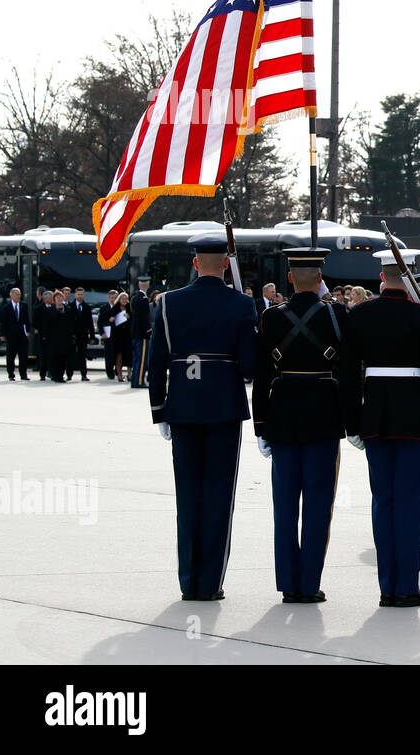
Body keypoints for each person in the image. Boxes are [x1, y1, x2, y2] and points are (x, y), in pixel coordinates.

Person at [339, 248, 420, 607]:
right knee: (411, 503)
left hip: (375, 415)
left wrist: (352, 423)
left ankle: (387, 585)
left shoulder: (359, 315)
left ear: (380, 277)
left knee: (384, 501)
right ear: (410, 277)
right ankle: (405, 586)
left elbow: (346, 374)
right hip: (415, 419)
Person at [149, 234, 257, 602]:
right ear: (225, 265)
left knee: (188, 496)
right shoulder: (242, 304)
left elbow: (156, 363)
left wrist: (158, 410)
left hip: (182, 407)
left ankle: (189, 581)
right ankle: (210, 583)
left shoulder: (169, 303)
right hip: (223, 408)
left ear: (195, 264)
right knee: (218, 496)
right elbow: (249, 367)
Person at [253, 248, 348, 604]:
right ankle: (309, 583)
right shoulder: (337, 315)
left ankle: (288, 583)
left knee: (285, 506)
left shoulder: (272, 317)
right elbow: (349, 372)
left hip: (283, 415)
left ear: (290, 279)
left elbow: (262, 376)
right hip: (324, 415)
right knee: (318, 505)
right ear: (320, 278)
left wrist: (260, 423)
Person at [0, 288, 30, 380]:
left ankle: (23, 375)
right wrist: (2, 334)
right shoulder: (6, 307)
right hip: (11, 336)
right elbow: (3, 322)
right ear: (11, 295)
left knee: (23, 356)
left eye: (19, 294)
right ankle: (11, 374)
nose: (19, 296)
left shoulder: (24, 306)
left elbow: (27, 320)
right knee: (10, 357)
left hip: (22, 336)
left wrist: (28, 331)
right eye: (17, 294)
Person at [44, 291, 73, 382]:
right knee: (54, 358)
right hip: (54, 339)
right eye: (57, 298)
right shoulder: (50, 310)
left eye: (61, 297)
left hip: (65, 338)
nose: (59, 299)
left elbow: (71, 324)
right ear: (54, 300)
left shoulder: (68, 309)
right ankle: (55, 375)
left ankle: (60, 375)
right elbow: (47, 324)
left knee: (63, 358)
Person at [130, 274, 152, 388]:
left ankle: (135, 380)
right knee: (142, 359)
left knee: (137, 359)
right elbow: (144, 318)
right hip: (142, 334)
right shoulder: (143, 298)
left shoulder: (135, 297)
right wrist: (149, 330)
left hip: (136, 333)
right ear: (147, 285)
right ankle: (139, 381)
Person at [67, 286, 93, 381]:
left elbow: (90, 323)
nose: (80, 296)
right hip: (72, 335)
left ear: (84, 295)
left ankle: (84, 375)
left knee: (82, 356)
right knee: (71, 355)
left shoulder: (87, 307)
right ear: (75, 295)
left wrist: (92, 336)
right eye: (78, 294)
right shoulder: (70, 306)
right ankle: (69, 374)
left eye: (81, 294)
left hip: (83, 335)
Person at [32, 288, 54, 381]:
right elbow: (35, 321)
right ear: (45, 299)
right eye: (51, 298)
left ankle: (52, 372)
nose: (52, 299)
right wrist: (37, 329)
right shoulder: (38, 308)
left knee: (52, 356)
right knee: (43, 356)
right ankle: (42, 374)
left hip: (52, 336)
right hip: (42, 336)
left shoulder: (54, 307)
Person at [97, 290, 119, 380]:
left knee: (118, 354)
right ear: (109, 298)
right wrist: (102, 333)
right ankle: (110, 372)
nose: (113, 300)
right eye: (112, 298)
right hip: (108, 333)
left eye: (115, 298)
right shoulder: (104, 308)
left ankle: (118, 371)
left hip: (118, 334)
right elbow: (100, 322)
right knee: (109, 354)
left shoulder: (120, 307)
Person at [112, 293, 132, 382]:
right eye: (122, 299)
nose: (124, 301)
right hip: (118, 335)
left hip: (127, 335)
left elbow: (133, 319)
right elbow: (107, 318)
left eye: (125, 299)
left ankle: (129, 374)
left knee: (128, 355)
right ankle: (119, 375)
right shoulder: (115, 308)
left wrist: (129, 317)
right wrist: (112, 319)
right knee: (119, 356)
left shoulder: (129, 308)